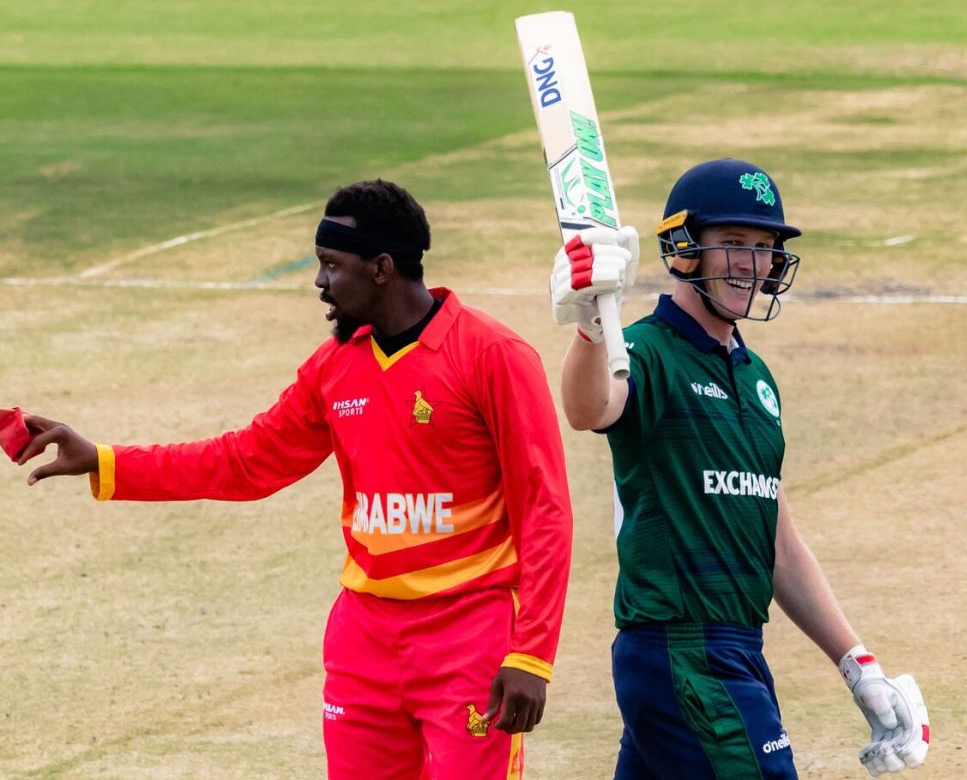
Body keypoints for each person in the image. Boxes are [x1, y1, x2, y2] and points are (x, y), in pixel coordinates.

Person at [17, 179, 573, 780]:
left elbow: (545, 509)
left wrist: (532, 655)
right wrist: (105, 460)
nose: (319, 283)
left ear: (382, 268)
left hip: (470, 638)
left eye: (331, 266)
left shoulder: (493, 355)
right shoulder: (334, 367)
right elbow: (245, 462)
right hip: (365, 642)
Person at [552, 159, 929, 779]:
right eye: (732, 244)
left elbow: (776, 541)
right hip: (679, 648)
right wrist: (592, 325)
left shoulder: (757, 380)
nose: (750, 265)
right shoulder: (646, 351)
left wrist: (857, 665)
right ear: (685, 248)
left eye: (763, 248)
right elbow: (589, 407)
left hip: (736, 647)